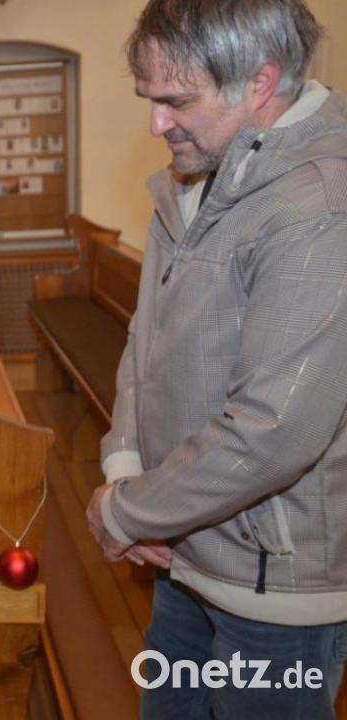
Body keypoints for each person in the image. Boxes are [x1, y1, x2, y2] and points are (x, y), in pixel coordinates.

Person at [85, 1, 347, 717]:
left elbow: (276, 430)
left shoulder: (321, 204)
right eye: (151, 100)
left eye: (176, 101)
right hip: (183, 556)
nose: (156, 125)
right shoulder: (195, 174)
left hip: (273, 588)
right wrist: (126, 468)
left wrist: (127, 514)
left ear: (259, 83)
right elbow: (147, 339)